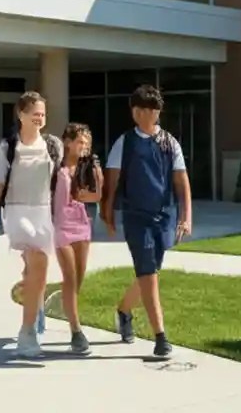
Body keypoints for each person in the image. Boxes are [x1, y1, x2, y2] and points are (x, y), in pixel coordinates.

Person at [100, 84, 192, 361]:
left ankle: (124, 310)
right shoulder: (125, 142)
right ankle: (160, 338)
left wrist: (186, 216)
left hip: (163, 217)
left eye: (154, 110)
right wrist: (107, 212)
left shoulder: (169, 143)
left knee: (149, 273)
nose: (150, 114)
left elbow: (181, 181)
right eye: (144, 110)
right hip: (135, 217)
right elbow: (112, 180)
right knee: (148, 273)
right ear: (135, 112)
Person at [0, 91, 63, 359]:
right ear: (21, 114)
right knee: (38, 260)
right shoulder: (7, 148)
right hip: (17, 211)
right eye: (35, 114)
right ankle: (27, 334)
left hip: (43, 212)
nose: (40, 118)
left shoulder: (52, 146)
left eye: (43, 114)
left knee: (37, 269)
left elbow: (61, 182)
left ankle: (32, 300)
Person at [53, 122, 103, 354]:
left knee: (78, 281)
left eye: (87, 143)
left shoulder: (86, 169)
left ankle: (60, 302)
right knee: (70, 279)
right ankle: (76, 332)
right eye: (80, 141)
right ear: (68, 142)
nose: (84, 146)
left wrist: (98, 178)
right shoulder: (56, 167)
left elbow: (95, 197)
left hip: (81, 226)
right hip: (61, 227)